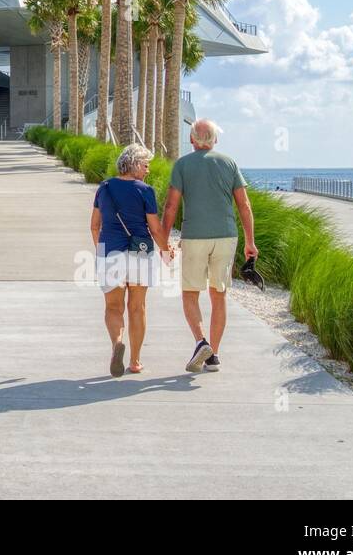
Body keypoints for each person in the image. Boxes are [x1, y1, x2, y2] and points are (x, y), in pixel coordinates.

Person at [161, 118, 256, 374]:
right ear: (215, 140)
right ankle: (213, 355)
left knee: (190, 293)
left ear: (192, 139)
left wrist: (163, 240)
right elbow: (244, 206)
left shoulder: (182, 165)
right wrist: (250, 242)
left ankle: (201, 342)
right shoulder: (229, 163)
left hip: (194, 237)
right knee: (219, 294)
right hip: (226, 237)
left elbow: (171, 206)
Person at [90, 143, 174, 377]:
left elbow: (94, 226)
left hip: (111, 253)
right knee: (137, 307)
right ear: (136, 165)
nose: (148, 170)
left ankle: (118, 342)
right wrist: (166, 251)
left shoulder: (104, 188)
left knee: (113, 307)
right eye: (146, 165)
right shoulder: (145, 191)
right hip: (140, 253)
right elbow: (156, 229)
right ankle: (135, 361)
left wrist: (102, 252)